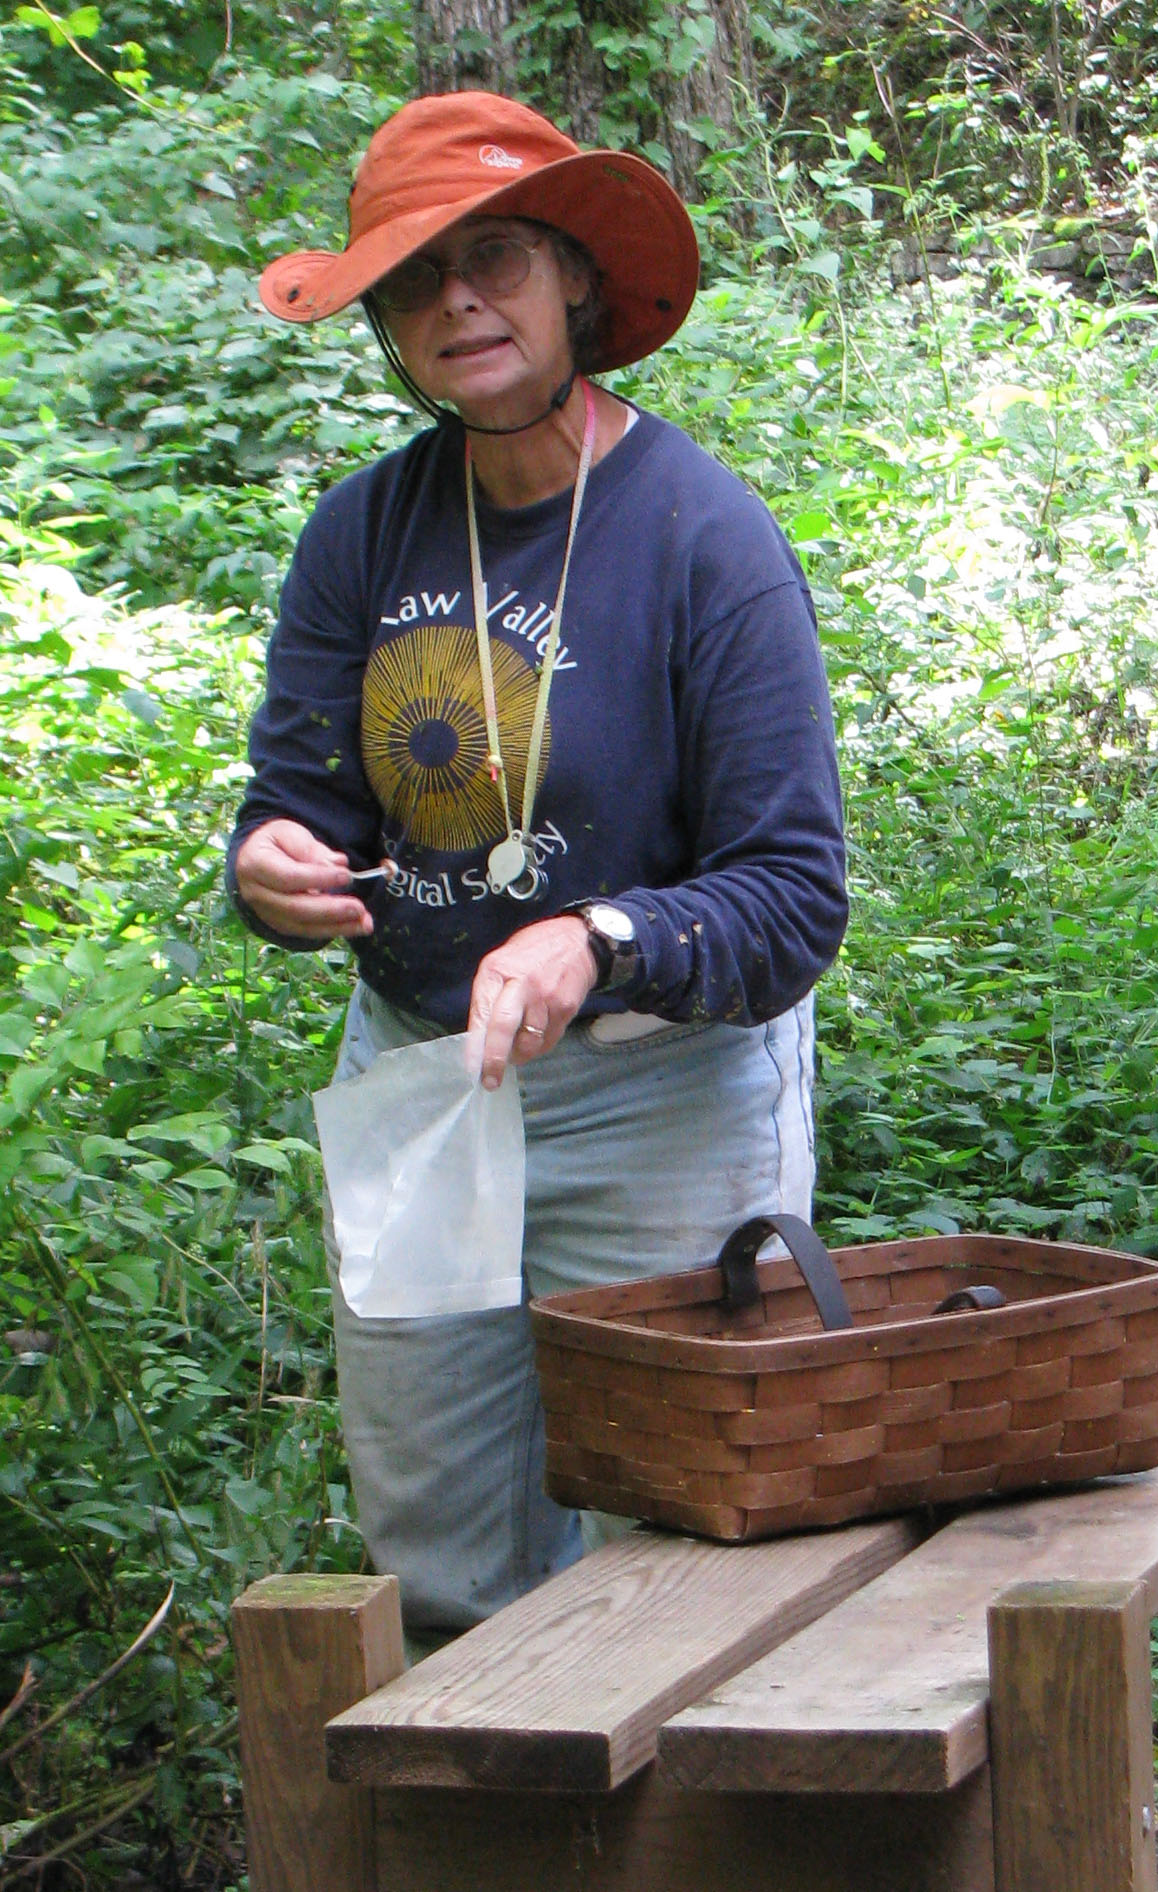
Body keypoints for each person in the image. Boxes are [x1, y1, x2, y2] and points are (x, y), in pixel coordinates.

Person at [227, 92, 848, 1639]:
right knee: (440, 1556)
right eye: (414, 276)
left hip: (664, 1090)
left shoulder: (705, 540)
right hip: (426, 1082)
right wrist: (269, 865)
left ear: (573, 279)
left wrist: (601, 937)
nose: (457, 302)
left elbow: (793, 891)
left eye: (492, 258)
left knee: (690, 1536)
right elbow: (296, 794)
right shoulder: (361, 537)